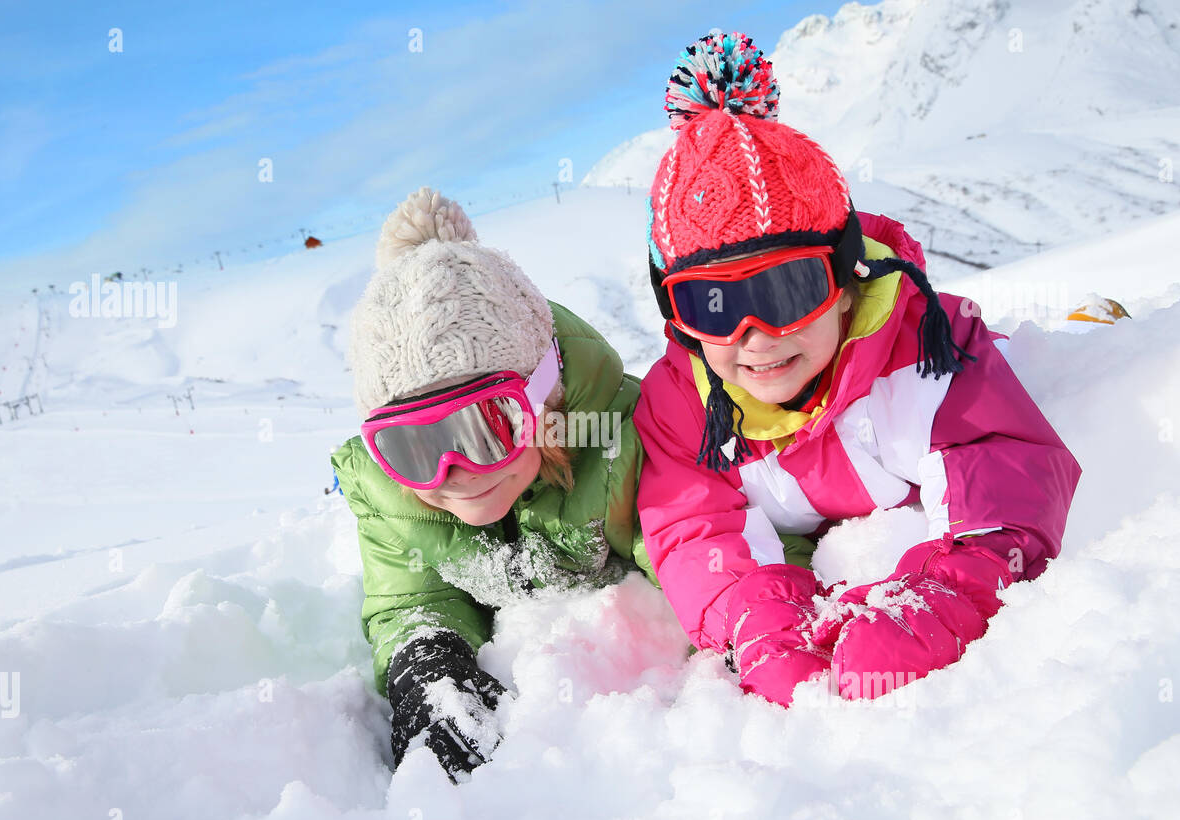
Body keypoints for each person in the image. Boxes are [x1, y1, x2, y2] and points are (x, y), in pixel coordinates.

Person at [635, 31, 1082, 705]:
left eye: (786, 292)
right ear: (677, 317)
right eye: (713, 304)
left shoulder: (923, 345)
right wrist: (755, 615)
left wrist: (949, 594)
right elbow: (696, 532)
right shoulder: (681, 409)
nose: (754, 337)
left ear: (846, 280)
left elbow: (1004, 468)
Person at [332, 187, 654, 779]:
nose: (453, 471)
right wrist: (428, 668)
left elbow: (689, 547)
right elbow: (413, 599)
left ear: (546, 400)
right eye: (414, 445)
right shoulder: (389, 493)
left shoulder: (623, 441)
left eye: (485, 427)